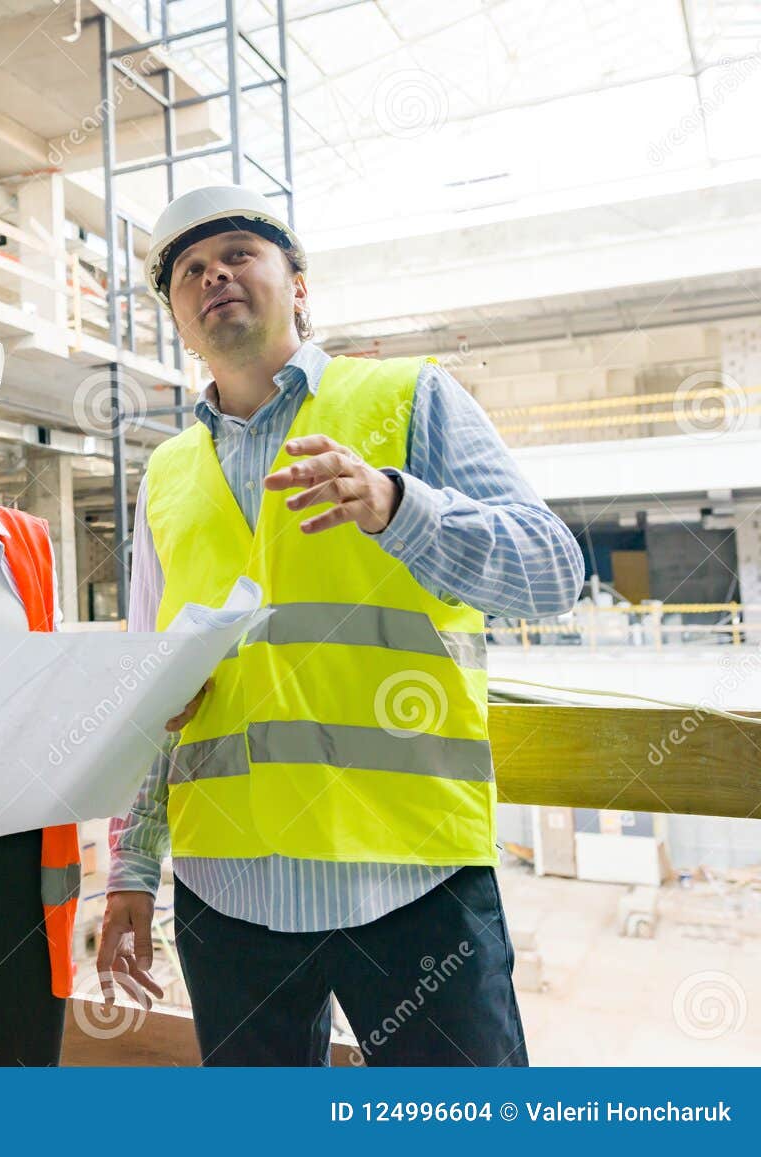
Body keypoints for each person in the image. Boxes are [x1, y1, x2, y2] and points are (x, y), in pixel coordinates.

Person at [96, 185, 585, 1066]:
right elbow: (149, 686)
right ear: (176, 314)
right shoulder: (165, 473)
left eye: (240, 253)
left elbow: (552, 571)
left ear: (299, 283)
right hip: (226, 892)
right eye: (190, 271)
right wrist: (130, 870)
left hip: (411, 879)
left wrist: (399, 505)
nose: (215, 277)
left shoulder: (410, 398)